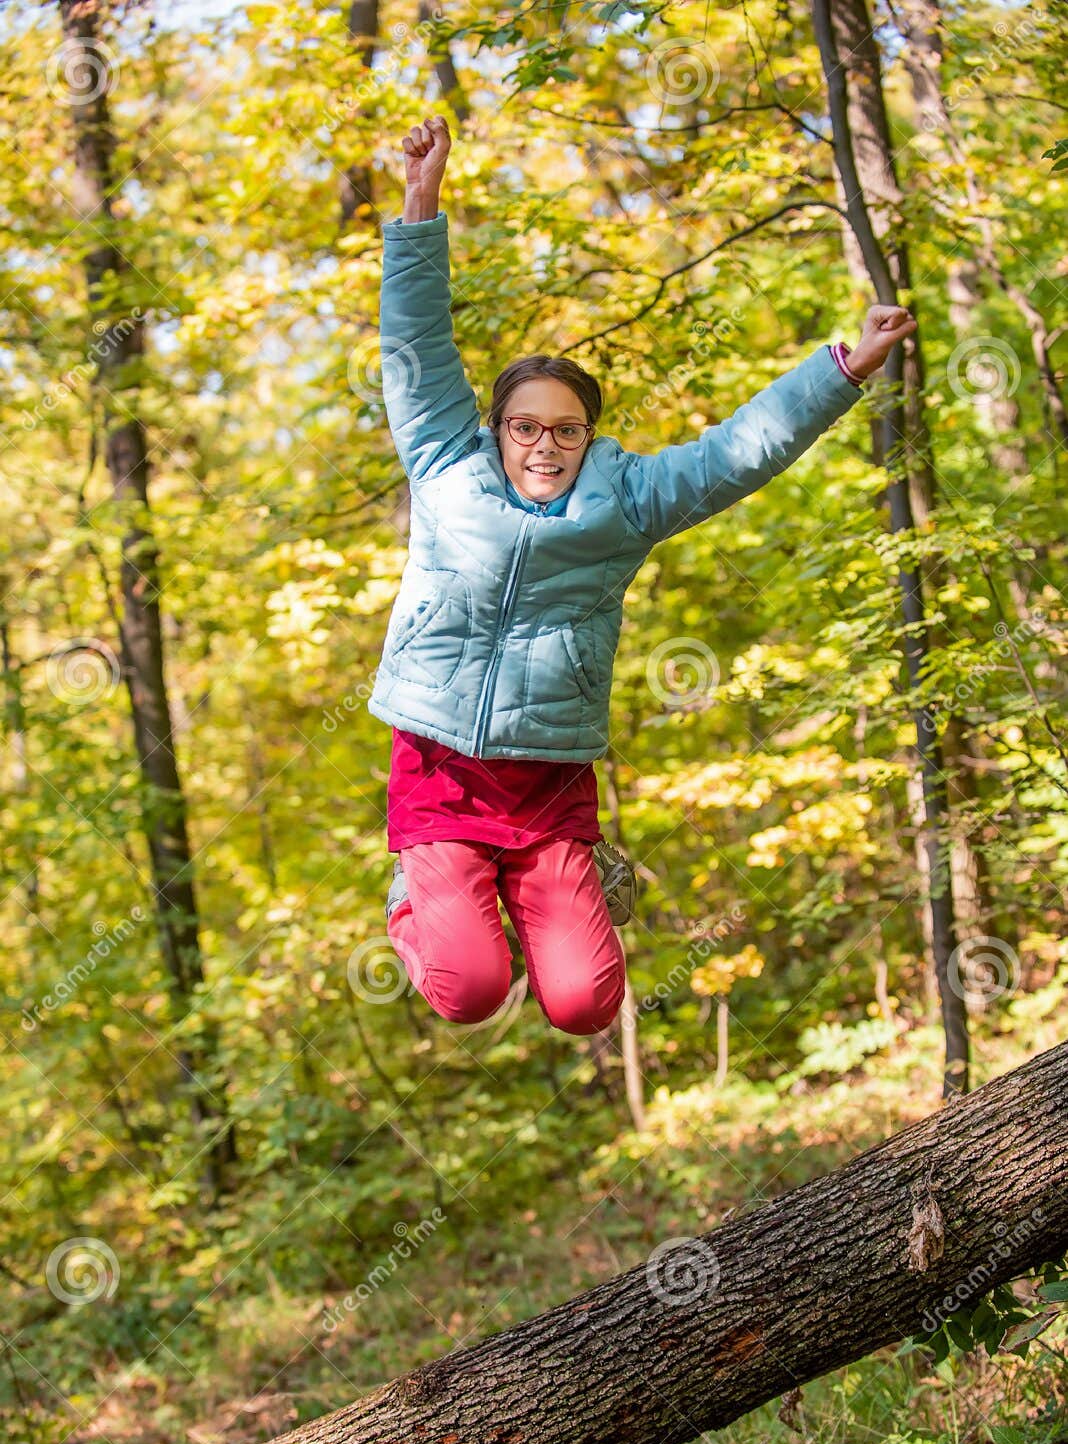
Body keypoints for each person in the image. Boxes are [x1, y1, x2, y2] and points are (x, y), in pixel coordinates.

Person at [367, 115, 916, 1037]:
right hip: (440, 773)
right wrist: (422, 199)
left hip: (548, 784)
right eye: (525, 426)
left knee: (585, 1007)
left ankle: (574, 883)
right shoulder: (444, 466)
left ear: (590, 436)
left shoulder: (626, 503)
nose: (545, 443)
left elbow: (737, 454)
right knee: (467, 991)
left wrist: (844, 368)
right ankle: (414, 899)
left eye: (566, 428)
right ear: (496, 429)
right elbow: (413, 341)